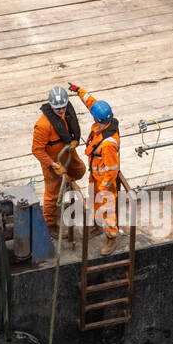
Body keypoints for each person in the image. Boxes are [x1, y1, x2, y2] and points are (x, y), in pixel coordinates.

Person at [68, 83, 121, 256]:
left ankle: (112, 237)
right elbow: (91, 103)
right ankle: (98, 227)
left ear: (98, 120)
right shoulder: (106, 119)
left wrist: (105, 186)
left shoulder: (108, 144)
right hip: (95, 174)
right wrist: (78, 91)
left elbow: (112, 168)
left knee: (107, 207)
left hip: (104, 179)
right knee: (94, 202)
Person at [31, 84, 85, 238]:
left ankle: (66, 179)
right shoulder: (42, 126)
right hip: (52, 161)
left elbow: (72, 128)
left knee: (80, 169)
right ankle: (49, 224)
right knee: (52, 194)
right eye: (57, 108)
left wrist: (75, 142)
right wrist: (54, 165)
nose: (61, 110)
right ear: (51, 106)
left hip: (67, 152)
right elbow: (37, 150)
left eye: (63, 107)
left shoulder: (67, 113)